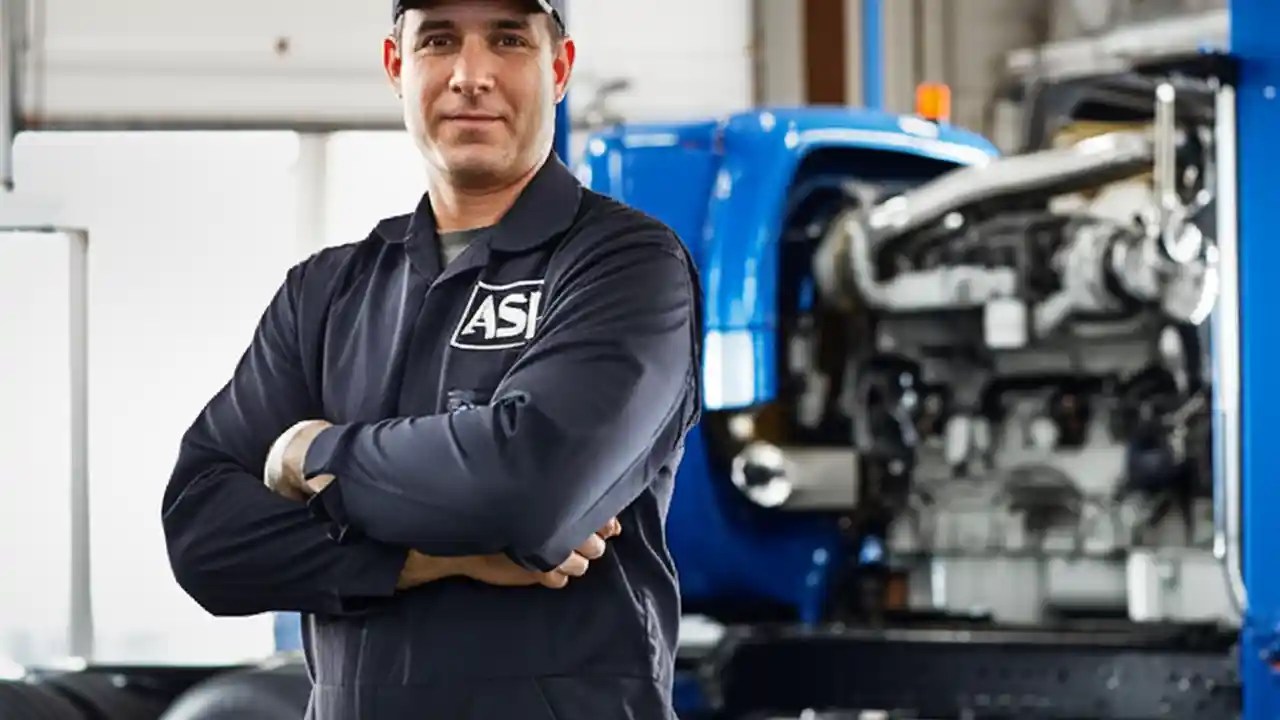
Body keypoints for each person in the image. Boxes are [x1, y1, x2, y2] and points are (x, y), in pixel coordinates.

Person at [159, 0, 702, 717]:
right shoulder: (326, 293)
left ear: (560, 67)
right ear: (397, 65)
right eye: (439, 41)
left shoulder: (625, 266)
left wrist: (308, 453)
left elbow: (530, 489)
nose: (471, 74)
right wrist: (431, 558)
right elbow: (205, 538)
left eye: (508, 40)